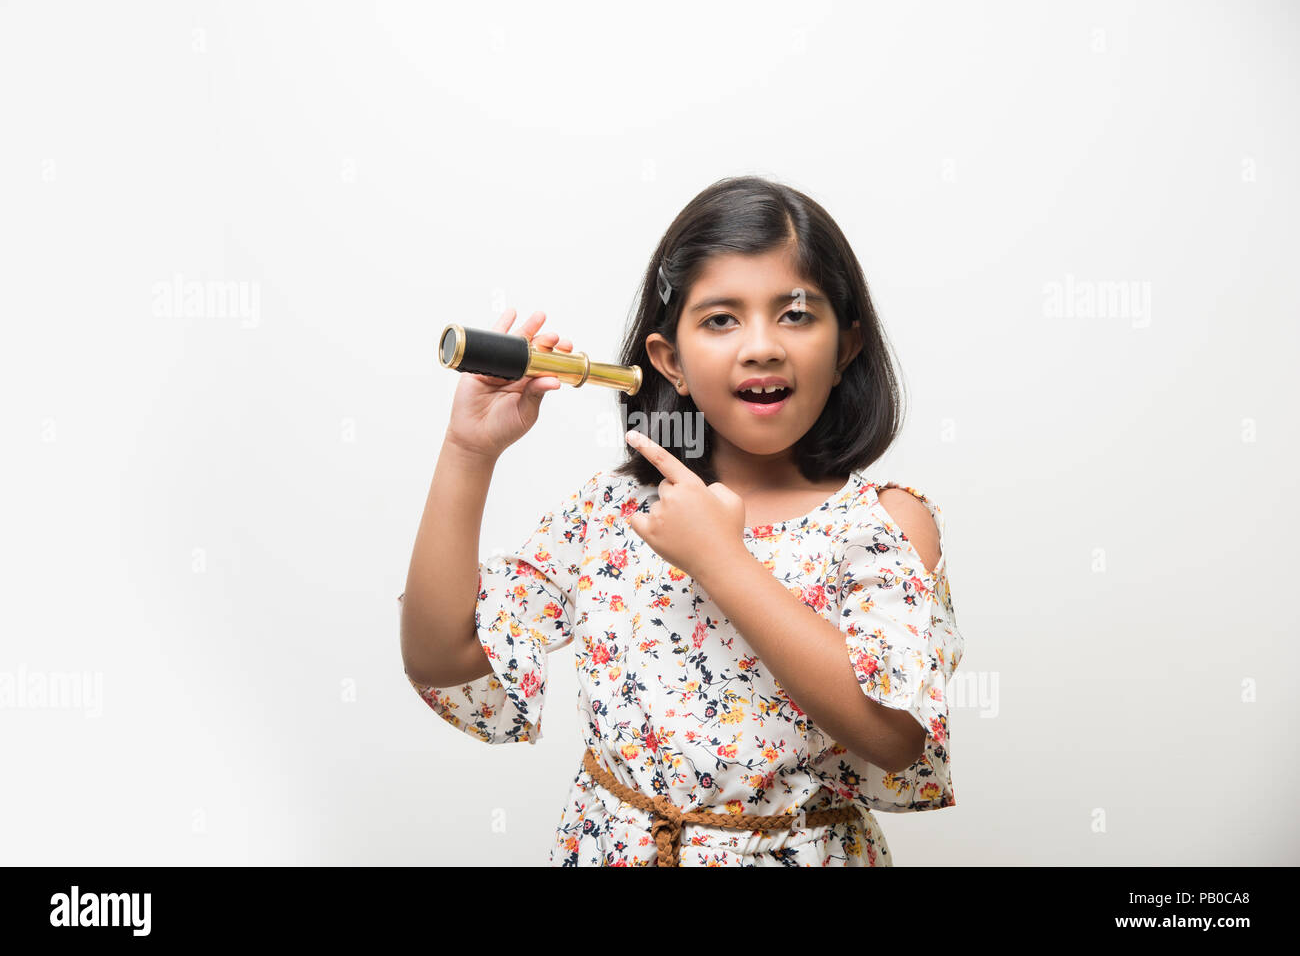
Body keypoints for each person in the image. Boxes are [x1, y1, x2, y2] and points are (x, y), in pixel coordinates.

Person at [399, 175, 964, 866]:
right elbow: (443, 659)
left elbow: (895, 731)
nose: (762, 345)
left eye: (795, 314)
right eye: (721, 319)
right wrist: (468, 451)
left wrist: (722, 562)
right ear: (671, 362)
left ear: (846, 348)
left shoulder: (884, 524)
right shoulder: (612, 512)